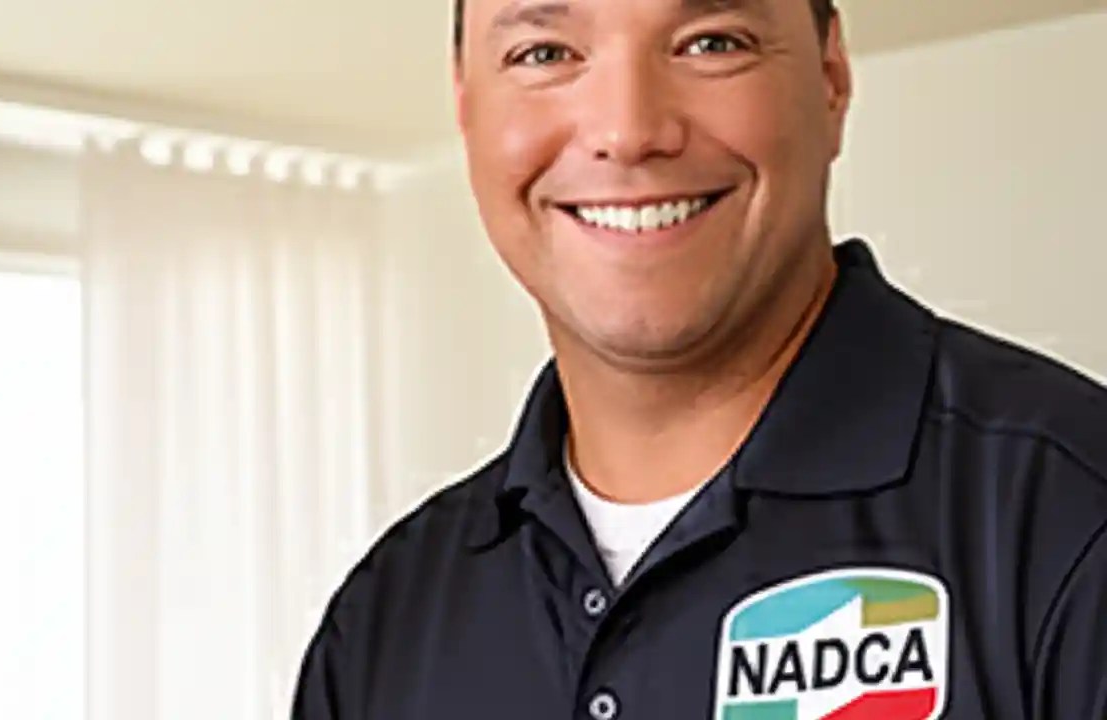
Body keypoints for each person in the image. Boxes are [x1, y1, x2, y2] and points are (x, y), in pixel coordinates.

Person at [293, 0, 1107, 717]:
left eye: (711, 42)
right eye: (545, 54)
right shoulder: (385, 623)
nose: (628, 131)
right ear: (467, 107)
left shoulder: (1068, 517)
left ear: (831, 80)